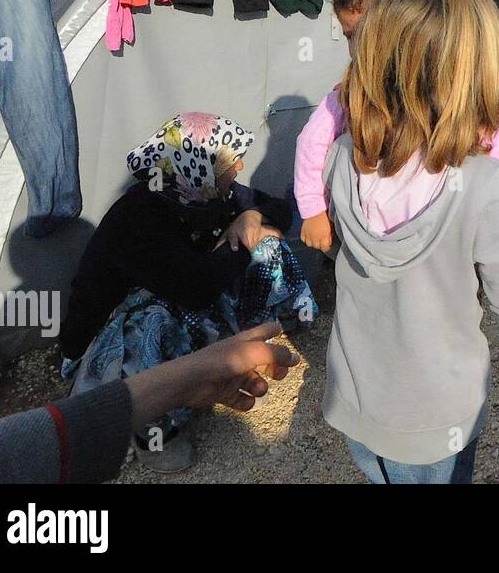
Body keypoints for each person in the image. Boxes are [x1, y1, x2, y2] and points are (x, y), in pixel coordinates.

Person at [322, 0, 499, 484]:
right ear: (475, 76)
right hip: (437, 417)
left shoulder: (341, 157)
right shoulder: (484, 184)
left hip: (355, 397)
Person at [58, 112, 315, 473]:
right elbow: (194, 288)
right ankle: (152, 429)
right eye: (230, 161)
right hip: (107, 337)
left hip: (188, 296)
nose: (240, 165)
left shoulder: (207, 191)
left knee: (265, 242)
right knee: (154, 316)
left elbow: (280, 209)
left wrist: (252, 216)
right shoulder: (139, 215)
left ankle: (275, 324)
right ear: (197, 167)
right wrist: (243, 241)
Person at [296, 0, 499, 253]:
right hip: (376, 243)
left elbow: (495, 158)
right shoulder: (348, 96)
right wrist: (314, 210)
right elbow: (312, 144)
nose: (359, 47)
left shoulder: (466, 101)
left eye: (368, 34)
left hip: (443, 236)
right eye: (351, 36)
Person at [0, 322, 299, 484]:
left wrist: (185, 379)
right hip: (105, 347)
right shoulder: (142, 217)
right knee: (154, 318)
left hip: (125, 393)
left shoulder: (192, 206)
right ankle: (154, 436)